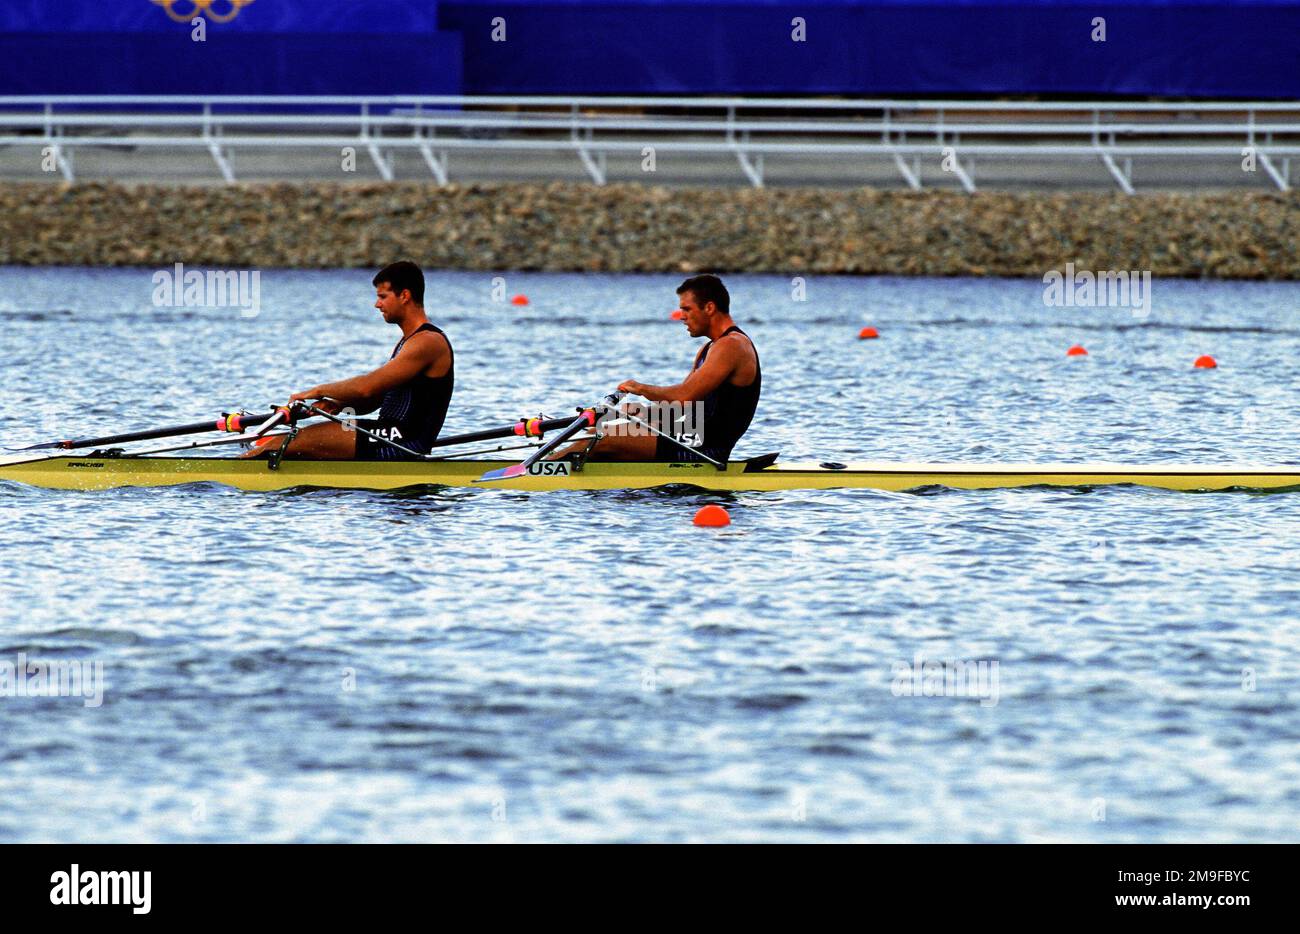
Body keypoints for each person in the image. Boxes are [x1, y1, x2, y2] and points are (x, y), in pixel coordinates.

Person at [245, 261, 453, 460]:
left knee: (278, 444)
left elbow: (366, 388)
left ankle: (226, 480)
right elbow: (377, 399)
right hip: (387, 435)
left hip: (402, 441)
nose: (377, 304)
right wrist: (335, 406)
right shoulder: (409, 341)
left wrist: (317, 391)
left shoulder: (427, 342)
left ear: (404, 295)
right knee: (289, 447)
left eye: (383, 296)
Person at [561, 273, 760, 463]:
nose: (682, 316)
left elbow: (684, 395)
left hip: (705, 449)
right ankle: (561, 471)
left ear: (709, 308)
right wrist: (644, 413)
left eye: (687, 309)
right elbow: (684, 406)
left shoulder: (732, 345)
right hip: (690, 434)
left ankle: (537, 472)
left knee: (599, 438)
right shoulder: (708, 348)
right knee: (598, 429)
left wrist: (640, 389)